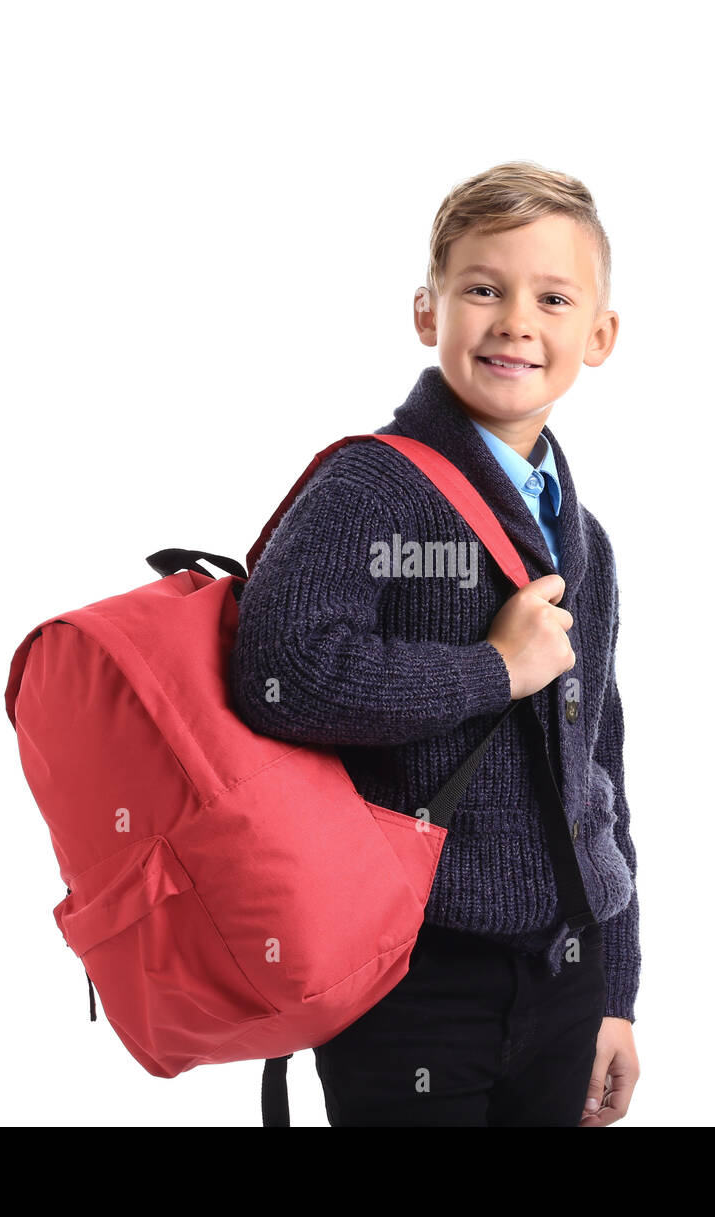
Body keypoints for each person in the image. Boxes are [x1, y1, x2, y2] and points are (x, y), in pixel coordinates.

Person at [228, 160, 639, 1126]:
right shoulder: (371, 488)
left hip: (563, 976)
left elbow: (601, 769)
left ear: (600, 334)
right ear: (428, 311)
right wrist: (494, 668)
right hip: (408, 976)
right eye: (482, 289)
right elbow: (280, 673)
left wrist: (615, 984)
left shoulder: (591, 543)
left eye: (553, 297)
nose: (515, 322)